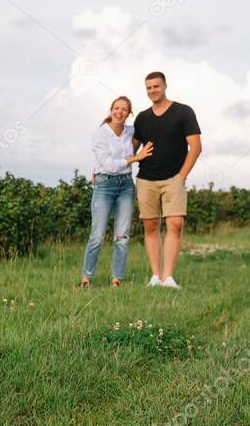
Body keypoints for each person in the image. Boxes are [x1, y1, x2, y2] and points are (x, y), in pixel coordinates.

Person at [132, 71, 203, 289]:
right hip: (146, 179)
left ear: (165, 86)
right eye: (148, 88)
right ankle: (156, 276)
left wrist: (181, 176)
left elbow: (196, 147)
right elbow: (128, 150)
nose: (152, 90)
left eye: (156, 86)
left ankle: (168, 277)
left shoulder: (183, 111)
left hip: (174, 178)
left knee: (176, 224)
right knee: (151, 226)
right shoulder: (142, 118)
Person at [81, 96, 153, 287]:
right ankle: (87, 277)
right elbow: (109, 165)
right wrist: (135, 158)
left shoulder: (130, 131)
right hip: (105, 185)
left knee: (122, 236)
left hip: (126, 186)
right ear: (111, 110)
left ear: (129, 113)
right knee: (97, 235)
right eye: (116, 108)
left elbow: (147, 132)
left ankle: (116, 279)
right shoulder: (100, 134)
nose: (119, 112)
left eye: (124, 110)